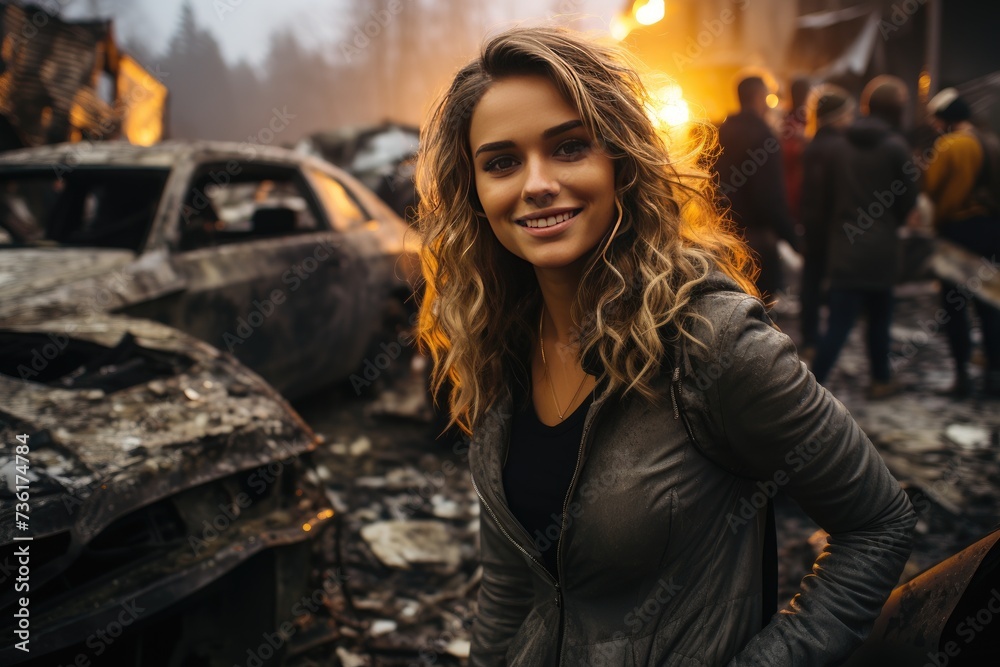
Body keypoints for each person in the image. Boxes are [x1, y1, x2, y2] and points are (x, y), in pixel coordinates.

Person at [415, 27, 915, 666]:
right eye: (502, 162)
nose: (536, 183)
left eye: (569, 148)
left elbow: (877, 525)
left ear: (620, 162)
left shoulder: (713, 342)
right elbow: (511, 584)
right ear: (475, 191)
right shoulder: (496, 343)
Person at [810, 76, 918, 398]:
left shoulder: (839, 146)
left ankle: (809, 390)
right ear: (897, 110)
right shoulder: (897, 148)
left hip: (845, 248)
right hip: (883, 251)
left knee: (838, 325)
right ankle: (880, 381)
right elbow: (908, 201)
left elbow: (824, 199)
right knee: (880, 322)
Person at [923, 87, 1000, 397]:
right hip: (992, 233)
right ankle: (995, 375)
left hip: (957, 235)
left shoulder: (950, 145)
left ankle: (961, 377)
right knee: (990, 305)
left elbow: (933, 189)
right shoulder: (993, 144)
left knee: (954, 308)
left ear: (946, 120)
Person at [715, 75, 798, 302]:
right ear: (760, 97)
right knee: (760, 313)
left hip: (723, 237)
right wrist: (793, 239)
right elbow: (770, 197)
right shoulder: (764, 137)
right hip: (757, 245)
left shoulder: (720, 132)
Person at [797, 85, 856, 361]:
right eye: (849, 114)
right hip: (833, 228)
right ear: (839, 116)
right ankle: (828, 342)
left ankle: (810, 338)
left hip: (812, 225)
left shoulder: (813, 145)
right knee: (834, 286)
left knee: (810, 283)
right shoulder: (841, 147)